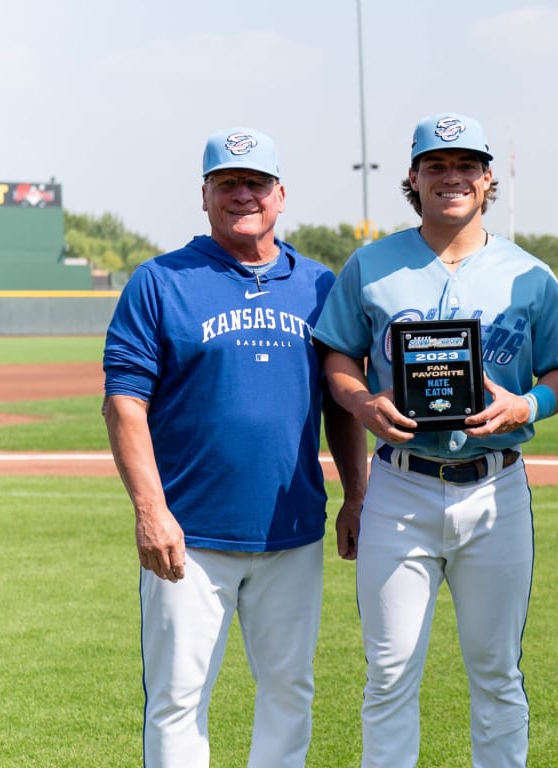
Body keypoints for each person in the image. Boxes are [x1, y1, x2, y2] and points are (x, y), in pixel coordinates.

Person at [312, 114, 558, 768]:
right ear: (414, 177)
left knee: (496, 673)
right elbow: (338, 360)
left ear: (488, 178)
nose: (451, 177)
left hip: (497, 486)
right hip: (399, 487)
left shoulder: (528, 273)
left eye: (466, 165)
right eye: (436, 165)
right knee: (388, 674)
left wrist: (530, 402)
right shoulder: (372, 264)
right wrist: (360, 400)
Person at [103, 127, 367, 768]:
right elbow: (123, 402)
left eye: (255, 183)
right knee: (178, 698)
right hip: (189, 535)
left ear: (280, 195)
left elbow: (341, 401)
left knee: (289, 691)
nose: (242, 194)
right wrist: (149, 509)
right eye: (228, 183)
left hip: (294, 530)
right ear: (205, 196)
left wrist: (356, 494)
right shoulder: (161, 280)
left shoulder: (319, 285)